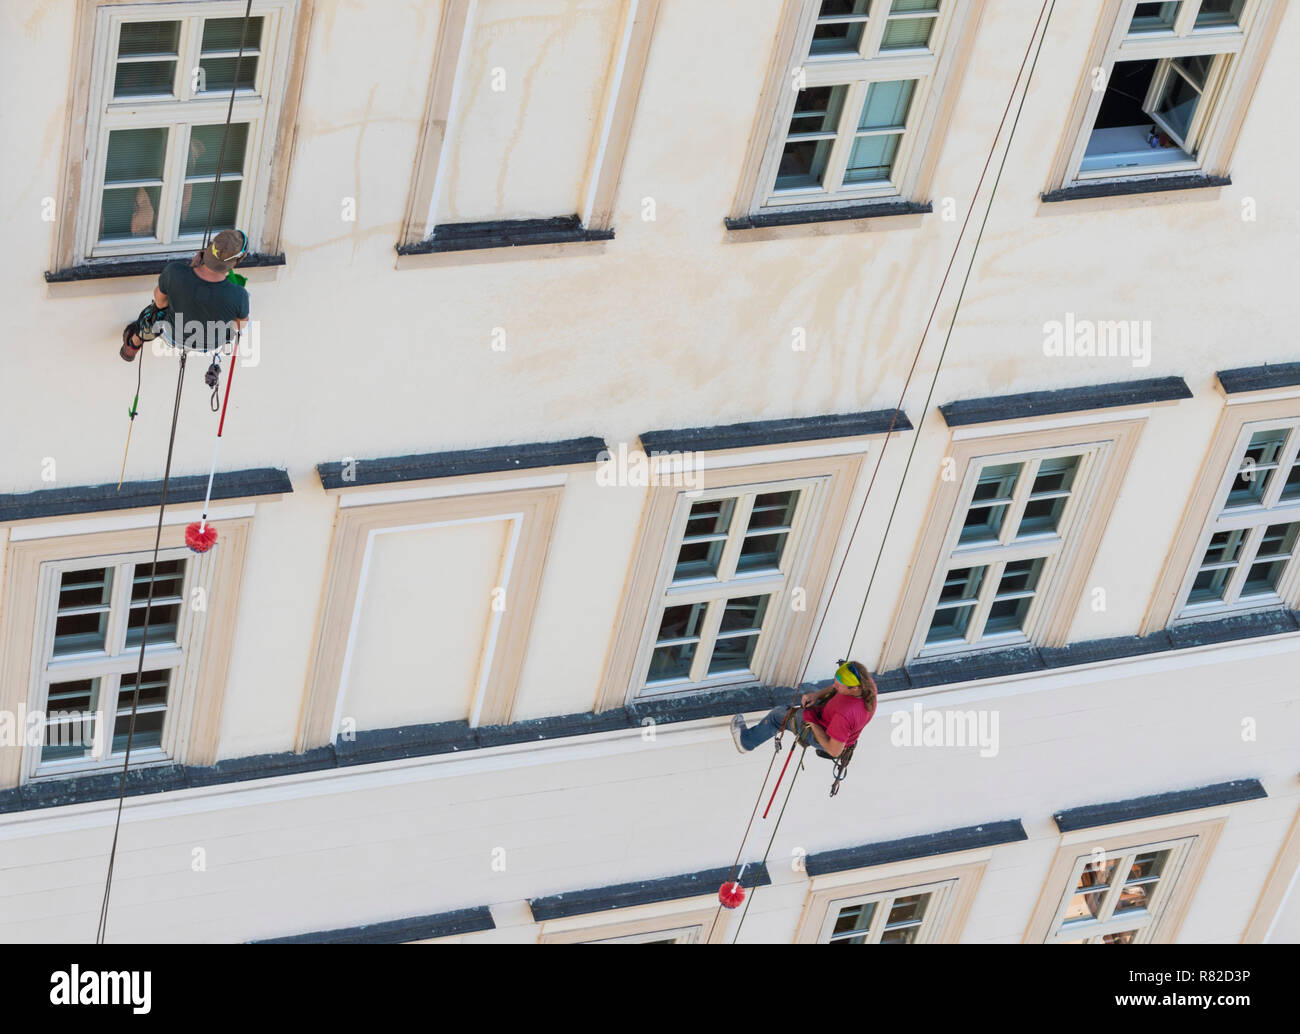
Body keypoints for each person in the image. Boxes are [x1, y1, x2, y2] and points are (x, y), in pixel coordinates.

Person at [120, 229, 250, 365]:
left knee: (153, 312)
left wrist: (190, 270)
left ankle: (133, 343)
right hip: (210, 344)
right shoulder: (239, 294)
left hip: (173, 336)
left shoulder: (175, 272)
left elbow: (160, 303)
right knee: (239, 316)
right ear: (235, 263)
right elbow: (241, 325)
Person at [730, 661, 876, 757]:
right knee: (808, 692)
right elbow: (835, 687)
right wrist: (817, 695)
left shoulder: (844, 715)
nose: (835, 685)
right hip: (829, 719)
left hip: (825, 736)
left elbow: (834, 751)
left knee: (778, 715)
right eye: (835, 681)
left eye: (839, 685)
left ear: (854, 688)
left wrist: (812, 722)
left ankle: (746, 742)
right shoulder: (867, 685)